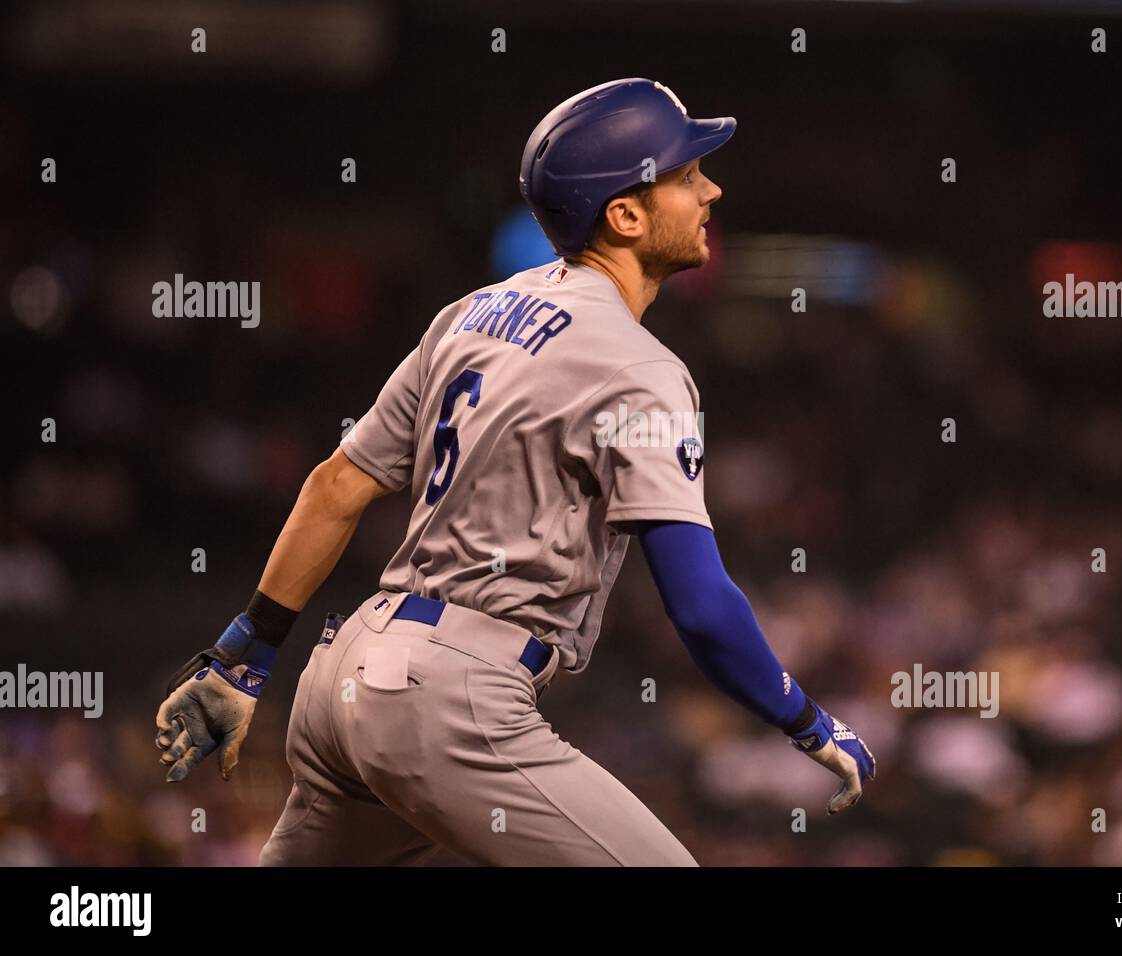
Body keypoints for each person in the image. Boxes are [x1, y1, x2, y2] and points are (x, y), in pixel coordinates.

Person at [154, 77, 875, 866]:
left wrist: (245, 655)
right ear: (626, 216)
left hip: (346, 675)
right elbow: (700, 606)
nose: (712, 190)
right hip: (448, 696)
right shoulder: (642, 370)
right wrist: (806, 719)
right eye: (687, 175)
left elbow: (336, 486)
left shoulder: (470, 314)